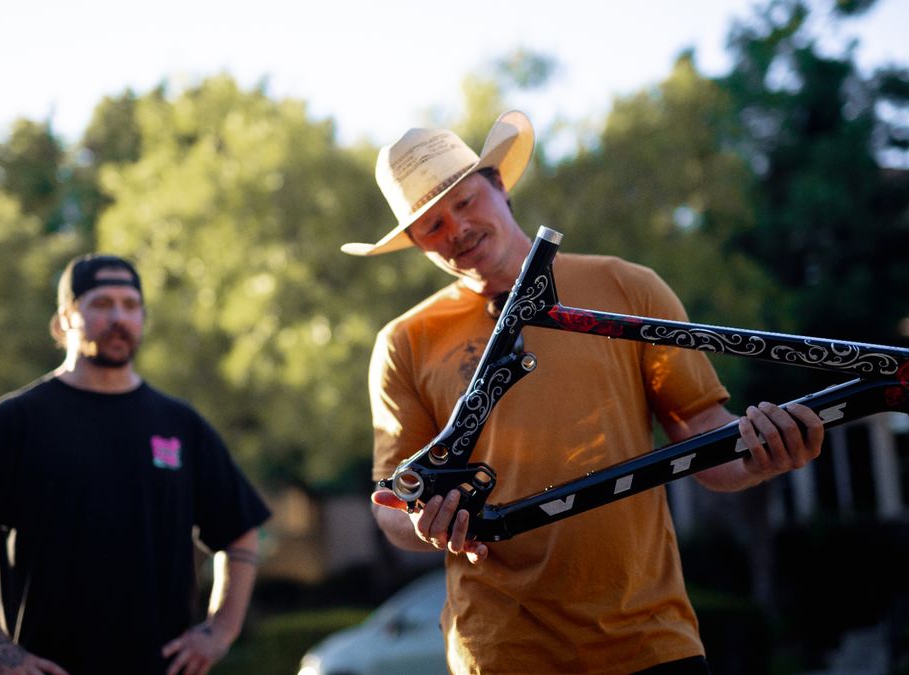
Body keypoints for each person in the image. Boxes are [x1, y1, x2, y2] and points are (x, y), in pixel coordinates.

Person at [342, 111, 825, 674]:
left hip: (649, 640)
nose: (456, 230)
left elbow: (704, 441)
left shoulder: (627, 286)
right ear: (415, 243)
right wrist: (428, 522)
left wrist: (768, 450)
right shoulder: (405, 341)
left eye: (464, 202)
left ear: (498, 185)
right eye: (431, 225)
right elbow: (392, 504)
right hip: (501, 654)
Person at [0, 254, 271, 675]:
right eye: (101, 304)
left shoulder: (180, 425)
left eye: (131, 304)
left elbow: (240, 532)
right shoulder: (17, 422)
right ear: (66, 318)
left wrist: (219, 632)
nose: (119, 317)